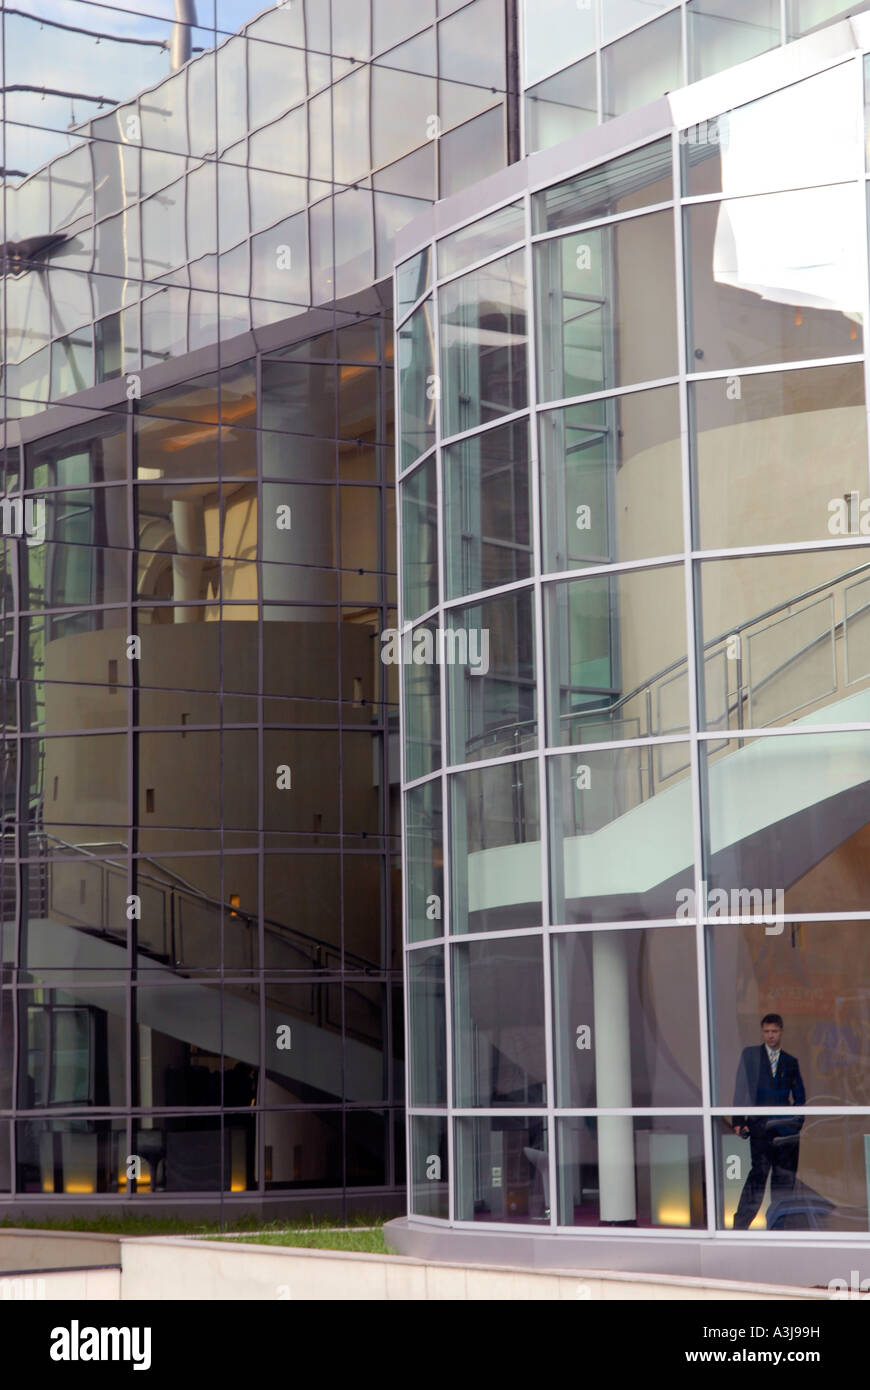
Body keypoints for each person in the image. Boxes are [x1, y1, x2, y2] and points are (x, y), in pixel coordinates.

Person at [731, 1013, 805, 1230]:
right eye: (767, 1031)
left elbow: (800, 1097)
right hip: (761, 1127)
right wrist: (738, 1120)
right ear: (762, 1032)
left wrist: (794, 1123)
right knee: (757, 1178)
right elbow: (741, 1088)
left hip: (785, 1132)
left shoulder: (790, 1062)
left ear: (781, 1032)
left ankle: (778, 1227)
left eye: (774, 1031)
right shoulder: (751, 1056)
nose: (770, 1036)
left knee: (783, 1182)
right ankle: (740, 1227)